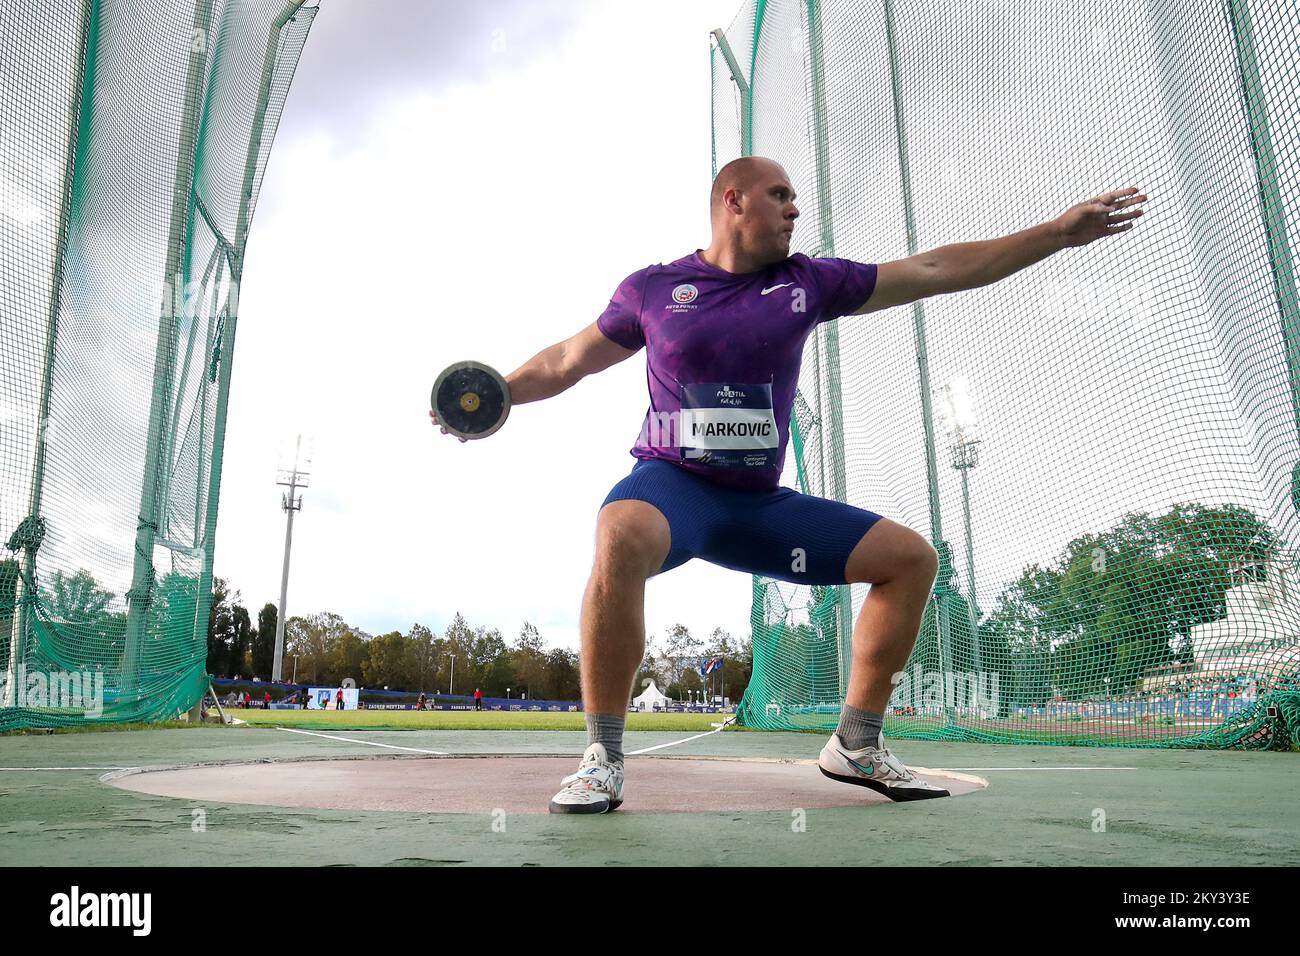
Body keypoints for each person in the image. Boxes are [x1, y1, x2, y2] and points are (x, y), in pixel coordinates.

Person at [431, 156, 1146, 813]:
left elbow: (933, 268)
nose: (794, 210)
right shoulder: (653, 289)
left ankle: (857, 745)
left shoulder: (808, 282)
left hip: (759, 507)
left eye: (796, 199)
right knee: (619, 530)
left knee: (910, 560)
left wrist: (1055, 234)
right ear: (733, 201)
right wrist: (490, 394)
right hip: (674, 489)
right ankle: (603, 758)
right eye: (780, 196)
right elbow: (566, 359)